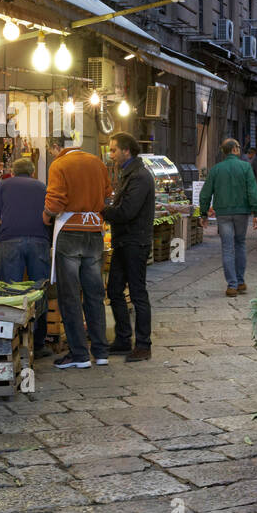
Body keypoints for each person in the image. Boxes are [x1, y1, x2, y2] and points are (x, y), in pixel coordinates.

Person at [42, 134, 112, 369]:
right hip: (94, 233)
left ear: (56, 146)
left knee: (70, 295)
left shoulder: (59, 164)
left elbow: (54, 202)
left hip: (69, 233)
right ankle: (101, 352)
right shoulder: (98, 163)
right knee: (94, 294)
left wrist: (45, 216)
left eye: (51, 150)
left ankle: (80, 354)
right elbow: (107, 195)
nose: (52, 154)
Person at [0, 158, 52, 357]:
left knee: (11, 291)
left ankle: (11, 339)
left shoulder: (3, 186)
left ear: (12, 172)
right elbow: (51, 215)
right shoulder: (43, 187)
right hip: (39, 241)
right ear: (32, 173)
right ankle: (39, 343)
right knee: (39, 289)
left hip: (11, 241)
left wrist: (1, 235)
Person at [101, 132, 155, 362]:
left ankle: (143, 345)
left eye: (113, 150)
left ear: (127, 151)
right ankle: (123, 338)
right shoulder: (128, 174)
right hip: (123, 241)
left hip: (135, 242)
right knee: (114, 290)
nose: (110, 155)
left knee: (137, 293)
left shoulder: (140, 177)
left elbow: (127, 211)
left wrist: (101, 210)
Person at [198, 138, 257, 297]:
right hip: (242, 212)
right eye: (238, 147)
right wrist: (256, 212)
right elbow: (252, 191)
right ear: (234, 150)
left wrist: (203, 213)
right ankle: (240, 282)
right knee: (240, 244)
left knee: (227, 247)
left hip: (223, 213)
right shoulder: (245, 167)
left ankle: (231, 285)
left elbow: (205, 193)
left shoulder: (216, 169)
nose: (240, 149)